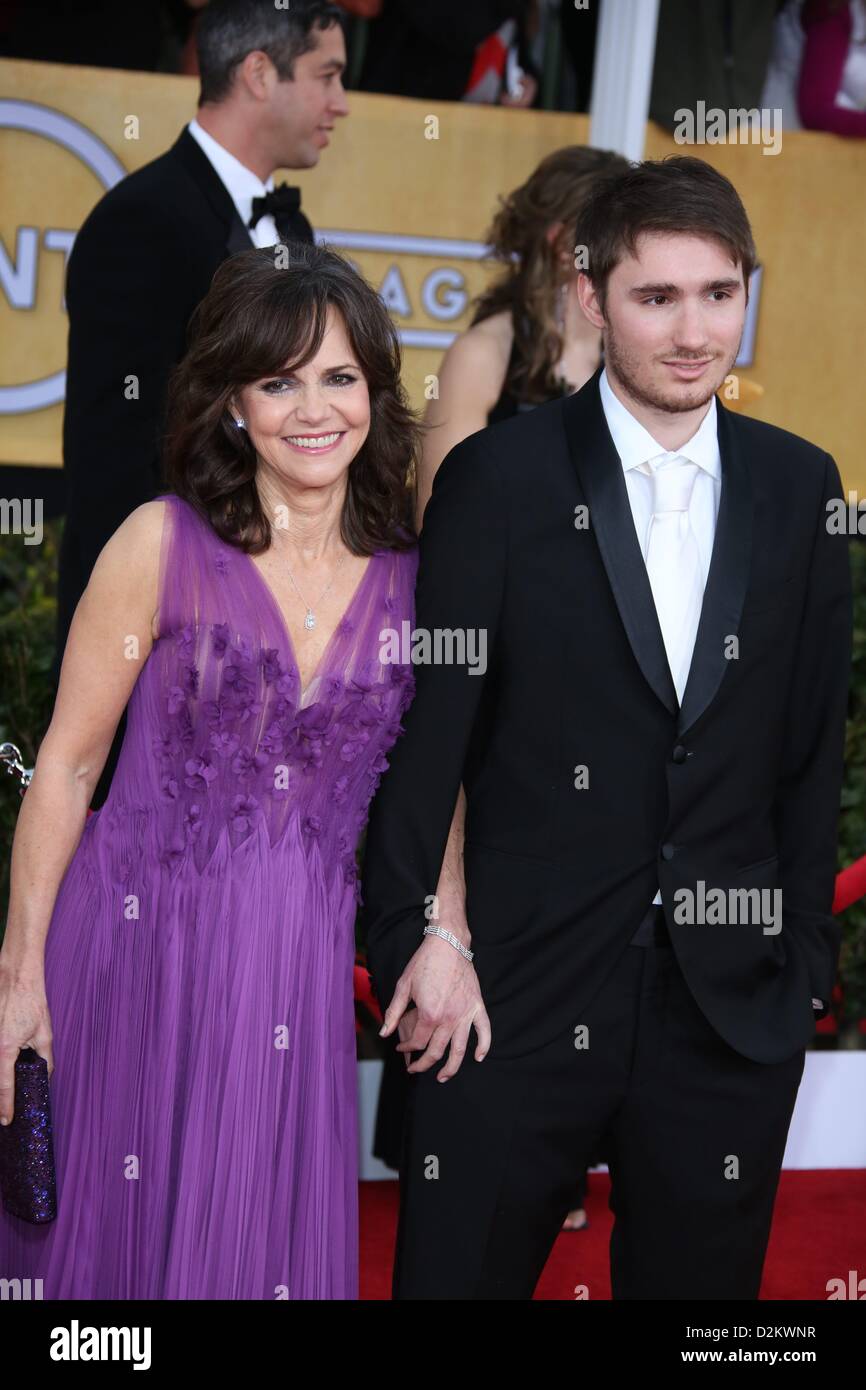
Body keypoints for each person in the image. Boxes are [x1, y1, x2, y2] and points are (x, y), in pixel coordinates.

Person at [360, 155, 852, 1300]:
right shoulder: (501, 478)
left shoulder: (798, 485)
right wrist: (422, 936)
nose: (693, 331)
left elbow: (808, 746)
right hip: (507, 1000)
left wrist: (798, 970)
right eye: (656, 297)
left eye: (718, 294)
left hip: (725, 1014)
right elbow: (433, 729)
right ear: (588, 297)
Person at [0, 243, 420, 1299]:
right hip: (136, 947)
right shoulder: (159, 542)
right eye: (277, 381)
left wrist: (449, 922)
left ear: (373, 390)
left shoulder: (420, 578)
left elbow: (446, 776)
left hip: (295, 965)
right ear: (233, 403)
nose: (312, 408)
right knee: (114, 1253)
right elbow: (65, 764)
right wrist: (19, 979)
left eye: (338, 376)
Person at [56, 0, 349, 808]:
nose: (342, 103)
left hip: (279, 637)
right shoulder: (140, 223)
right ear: (260, 72)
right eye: (326, 76)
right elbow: (115, 460)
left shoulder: (292, 231)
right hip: (168, 639)